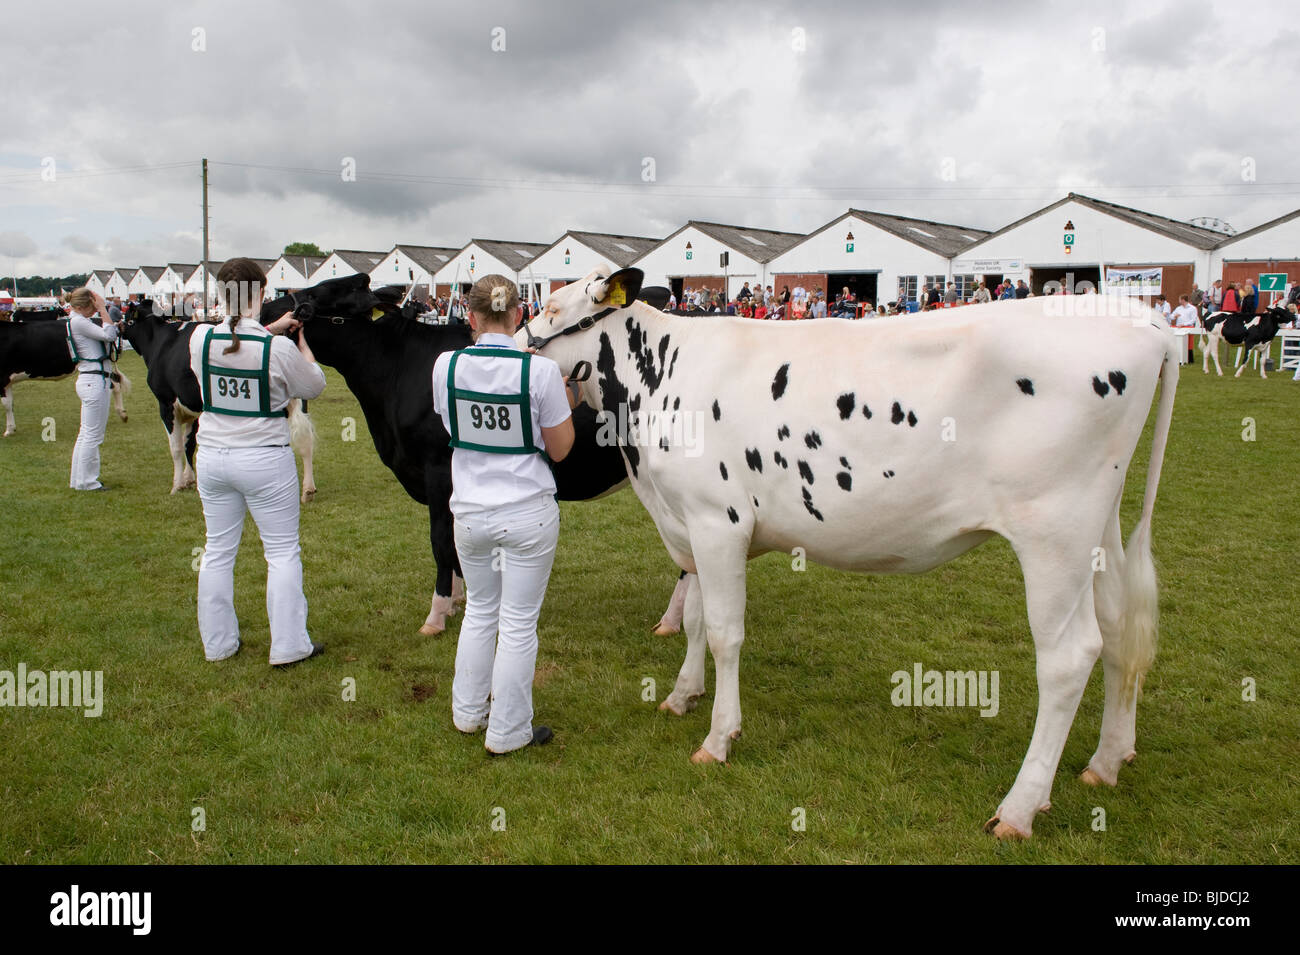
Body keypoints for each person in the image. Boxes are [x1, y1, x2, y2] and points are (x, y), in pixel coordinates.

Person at [432, 274, 576, 755]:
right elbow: (560, 450)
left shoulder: (445, 366)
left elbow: (453, 420)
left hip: (470, 511)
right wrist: (563, 400)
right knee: (517, 623)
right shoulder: (539, 373)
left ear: (470, 317)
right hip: (526, 511)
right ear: (518, 316)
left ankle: (468, 713)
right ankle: (509, 730)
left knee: (478, 611)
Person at [188, 257, 327, 666]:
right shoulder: (278, 349)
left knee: (217, 550)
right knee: (282, 552)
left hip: (212, 456)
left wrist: (271, 330)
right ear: (261, 293)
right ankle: (288, 645)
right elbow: (314, 385)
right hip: (264, 458)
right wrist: (297, 341)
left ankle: (218, 644)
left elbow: (234, 345)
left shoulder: (199, 339)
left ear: (219, 294)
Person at [66, 288, 120, 491]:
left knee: (86, 433)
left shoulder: (76, 321)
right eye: (91, 307)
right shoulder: (79, 321)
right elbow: (110, 334)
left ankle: (79, 480)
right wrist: (104, 310)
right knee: (93, 435)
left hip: (89, 379)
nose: (94, 311)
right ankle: (88, 482)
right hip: (94, 381)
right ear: (80, 307)